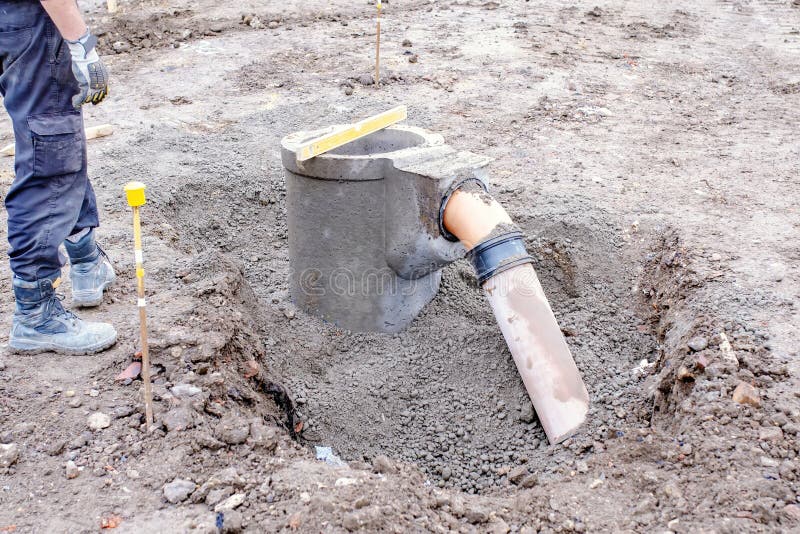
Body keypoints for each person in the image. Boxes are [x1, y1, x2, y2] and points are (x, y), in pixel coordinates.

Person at [1, 0, 116, 354]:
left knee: (55, 140)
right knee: (50, 152)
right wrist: (81, 42)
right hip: (29, 22)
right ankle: (35, 313)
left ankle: (85, 259)